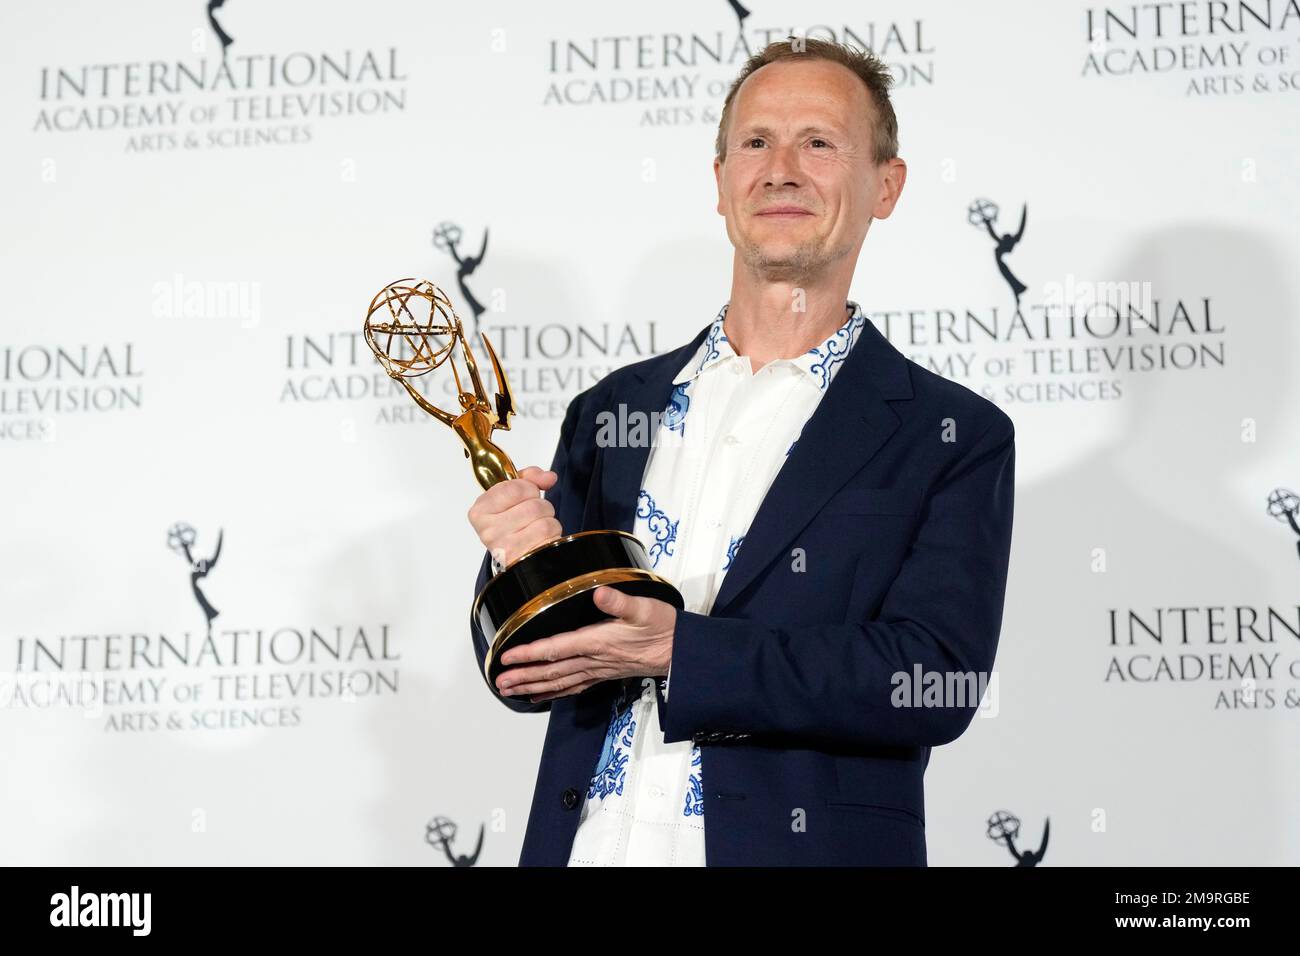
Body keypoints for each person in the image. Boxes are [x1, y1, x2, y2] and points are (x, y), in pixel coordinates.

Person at [466, 37, 1015, 866]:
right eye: (756, 142)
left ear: (886, 186)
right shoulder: (612, 408)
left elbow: (934, 680)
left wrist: (683, 652)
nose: (781, 169)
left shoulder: (952, 434)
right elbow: (524, 672)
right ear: (721, 182)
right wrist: (522, 570)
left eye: (819, 143)